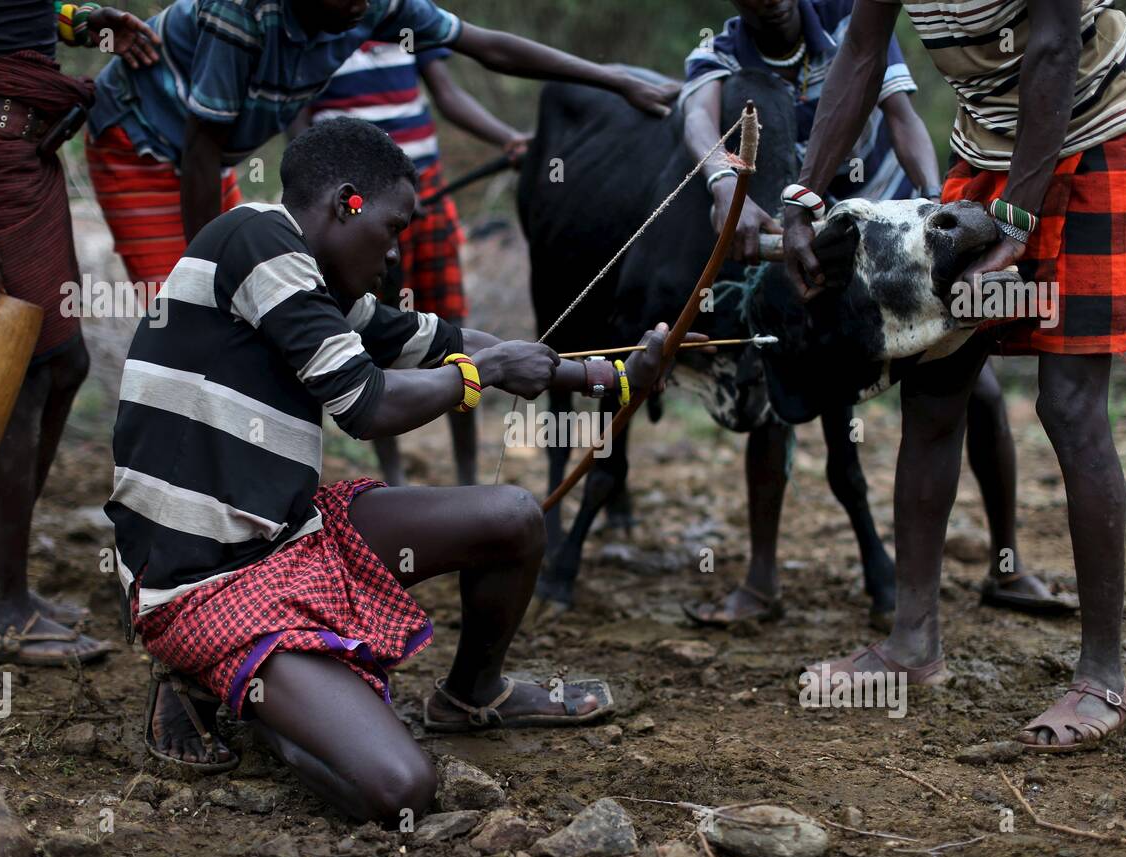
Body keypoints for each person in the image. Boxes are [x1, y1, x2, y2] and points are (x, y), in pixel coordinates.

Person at [110, 116, 694, 803]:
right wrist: (483, 373)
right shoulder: (258, 241)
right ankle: (231, 692)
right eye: (392, 228)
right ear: (346, 203)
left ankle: (472, 696)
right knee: (401, 788)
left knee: (514, 516)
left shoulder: (317, 286)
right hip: (203, 587)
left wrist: (611, 379)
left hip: (289, 544)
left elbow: (450, 342)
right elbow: (365, 404)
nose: (394, 254)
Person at [783, 0, 1126, 751]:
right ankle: (911, 643)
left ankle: (1103, 677)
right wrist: (804, 193)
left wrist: (1018, 225)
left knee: (1069, 405)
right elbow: (862, 50)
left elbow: (1054, 46)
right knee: (934, 384)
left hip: (1097, 135)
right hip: (989, 148)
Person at [677, 0, 1069, 626]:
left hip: (889, 242)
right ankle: (761, 580)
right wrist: (723, 180)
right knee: (776, 394)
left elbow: (902, 116)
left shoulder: (848, 20)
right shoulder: (717, 56)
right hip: (803, 247)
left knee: (980, 391)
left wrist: (932, 208)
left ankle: (1007, 565)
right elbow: (698, 118)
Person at [84, 0, 675, 287]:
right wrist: (203, 269)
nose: (363, 8)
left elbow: (485, 44)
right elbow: (201, 147)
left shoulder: (369, 4)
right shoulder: (239, 14)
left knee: (238, 298)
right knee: (184, 302)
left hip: (208, 158)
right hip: (141, 143)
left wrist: (614, 80)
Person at [0, 0, 158, 665]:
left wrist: (74, 21)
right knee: (18, 372)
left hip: (27, 153)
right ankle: (6, 611)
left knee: (63, 364)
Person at [298, 41, 531, 486]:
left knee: (450, 331)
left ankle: (468, 478)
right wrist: (366, 205)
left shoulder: (405, 20)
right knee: (371, 333)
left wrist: (508, 139)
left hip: (427, 195)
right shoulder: (316, 36)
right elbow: (303, 134)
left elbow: (447, 93)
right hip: (357, 211)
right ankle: (394, 477)